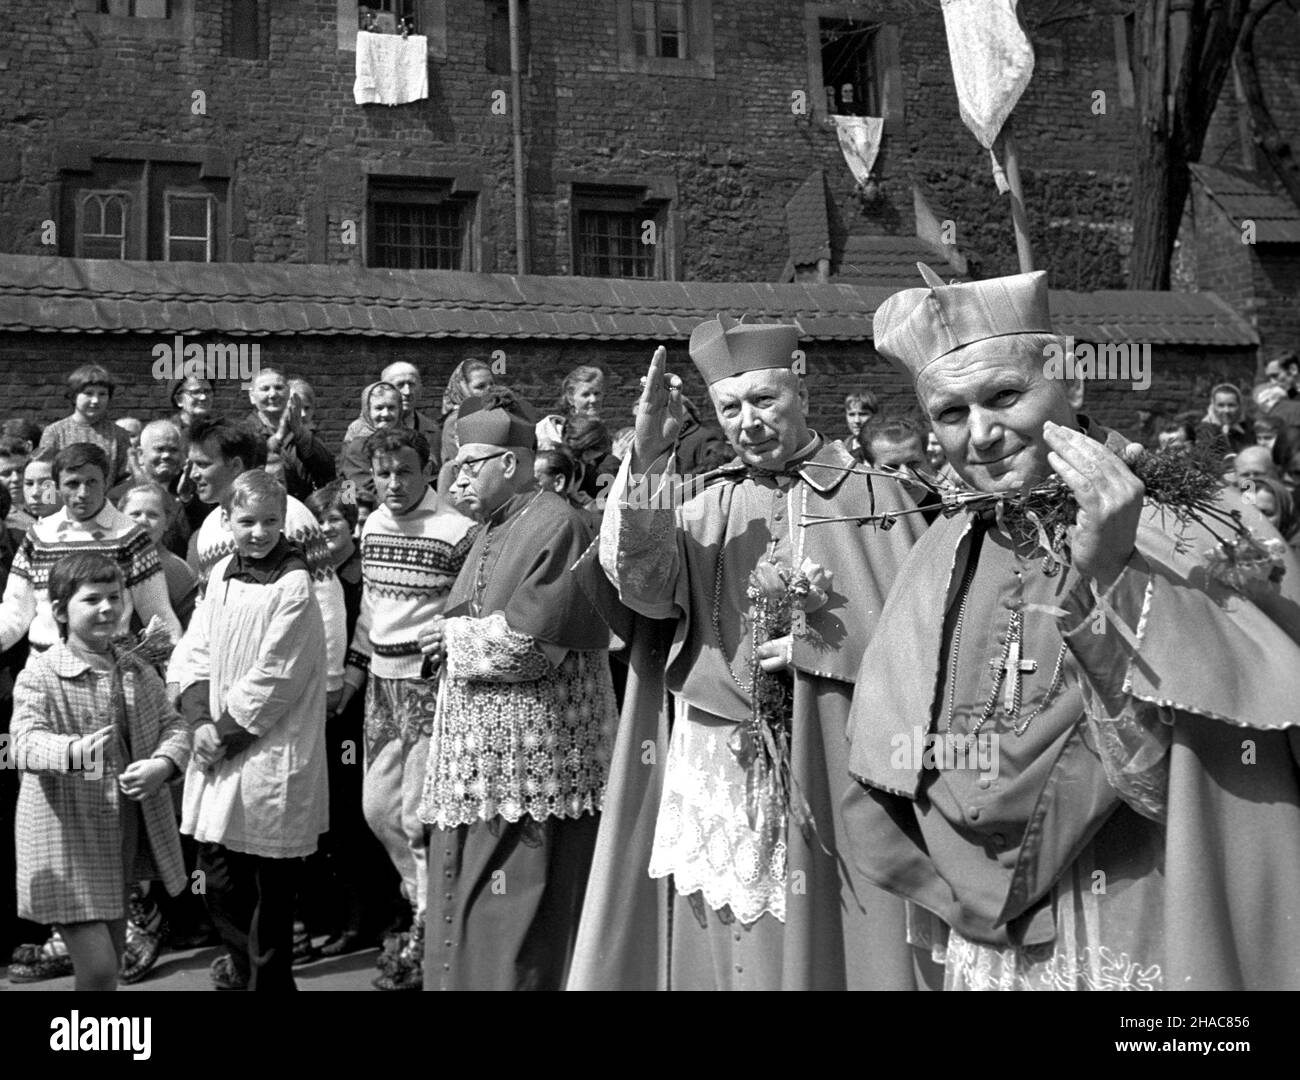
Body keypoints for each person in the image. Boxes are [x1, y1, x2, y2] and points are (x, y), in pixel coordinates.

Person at [843, 265, 1300, 990]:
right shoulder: (942, 544)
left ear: (1073, 383)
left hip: (1136, 894)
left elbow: (1178, 778)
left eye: (1004, 396)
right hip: (991, 932)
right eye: (951, 413)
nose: (983, 435)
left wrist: (1111, 575)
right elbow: (904, 761)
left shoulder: (1190, 523)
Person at [572, 318, 927, 991]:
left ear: (802, 384)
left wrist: (829, 649)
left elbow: (923, 644)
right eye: (731, 408)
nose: (749, 423)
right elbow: (640, 583)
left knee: (828, 923)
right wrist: (647, 455)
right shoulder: (710, 502)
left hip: (833, 752)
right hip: (719, 754)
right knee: (727, 928)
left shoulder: (878, 499)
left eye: (765, 400)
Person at [417, 394, 617, 990]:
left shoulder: (557, 522)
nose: (456, 477)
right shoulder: (489, 529)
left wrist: (450, 639)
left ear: (511, 462)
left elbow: (534, 646)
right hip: (480, 768)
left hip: (533, 770)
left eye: (471, 463)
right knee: (471, 917)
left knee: (516, 929)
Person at [175, 470, 330, 991]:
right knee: (218, 879)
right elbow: (196, 646)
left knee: (269, 891)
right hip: (216, 745)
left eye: (270, 521)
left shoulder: (294, 582)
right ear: (226, 521)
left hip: (269, 749)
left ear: (285, 521)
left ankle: (269, 983)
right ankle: (243, 973)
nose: (259, 532)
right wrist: (198, 719)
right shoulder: (219, 572)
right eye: (247, 521)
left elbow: (277, 675)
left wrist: (221, 732)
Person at [336, 426, 476, 990]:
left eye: (404, 472)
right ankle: (419, 901)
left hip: (428, 683)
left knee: (419, 814)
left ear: (427, 471)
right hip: (381, 683)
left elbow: (468, 605)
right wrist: (352, 666)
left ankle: (428, 928)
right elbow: (371, 606)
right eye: (383, 473)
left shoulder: (456, 531)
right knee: (377, 808)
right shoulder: (371, 524)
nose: (393, 483)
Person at [10, 552, 189, 991]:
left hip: (120, 835)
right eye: (92, 600)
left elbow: (175, 726)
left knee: (106, 970)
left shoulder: (135, 669)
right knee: (100, 968)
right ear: (59, 612)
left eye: (114, 597)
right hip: (65, 838)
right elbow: (23, 741)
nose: (108, 608)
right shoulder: (42, 674)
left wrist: (162, 765)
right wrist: (73, 751)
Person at [304, 481, 400, 960]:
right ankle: (340, 913)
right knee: (331, 819)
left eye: (333, 521)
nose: (324, 531)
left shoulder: (363, 577)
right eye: (317, 521)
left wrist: (348, 686)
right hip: (320, 708)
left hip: (356, 706)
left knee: (357, 813)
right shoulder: (310, 574)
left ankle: (369, 918)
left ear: (352, 527)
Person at [0, 443, 181, 657]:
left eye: (91, 482)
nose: (83, 493)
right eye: (73, 484)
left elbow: (157, 614)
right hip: (46, 667)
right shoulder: (39, 536)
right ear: (57, 487)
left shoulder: (130, 537)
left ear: (105, 482)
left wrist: (173, 676)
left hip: (109, 668)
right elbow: (15, 611)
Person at [116, 483, 200, 631]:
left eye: (152, 515)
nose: (143, 521)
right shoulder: (104, 561)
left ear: (167, 522)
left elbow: (191, 627)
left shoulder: (177, 570)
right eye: (135, 514)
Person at [245, 368, 335, 500]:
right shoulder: (245, 433)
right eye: (265, 389)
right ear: (252, 396)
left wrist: (299, 432)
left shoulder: (305, 432)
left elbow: (328, 470)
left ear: (288, 393)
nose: (273, 394)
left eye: (279, 388)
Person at [38, 363, 133, 487]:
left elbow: (126, 478)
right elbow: (44, 475)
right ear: (73, 397)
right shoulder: (55, 432)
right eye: (89, 393)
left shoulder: (119, 435)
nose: (95, 400)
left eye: (102, 394)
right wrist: (51, 503)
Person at [337, 381, 403, 503]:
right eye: (379, 408)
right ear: (368, 410)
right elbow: (362, 488)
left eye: (391, 407)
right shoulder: (357, 445)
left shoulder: (406, 439)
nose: (385, 414)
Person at [438, 358, 496, 467]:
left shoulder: (494, 415)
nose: (489, 391)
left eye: (491, 384)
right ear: (462, 388)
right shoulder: (456, 421)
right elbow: (458, 464)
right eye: (480, 387)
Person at [1195, 382, 1253, 458]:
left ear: (1240, 406)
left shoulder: (1249, 426)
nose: (1226, 410)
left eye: (1231, 405)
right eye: (1221, 405)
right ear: (1213, 406)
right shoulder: (1205, 431)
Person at [168, 376, 215, 441]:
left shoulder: (223, 434)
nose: (203, 397)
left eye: (207, 391)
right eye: (196, 392)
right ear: (179, 400)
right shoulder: (167, 434)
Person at [842, 388, 879, 461]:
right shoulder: (844, 447)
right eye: (851, 414)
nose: (857, 420)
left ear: (874, 416)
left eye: (863, 414)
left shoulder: (885, 445)